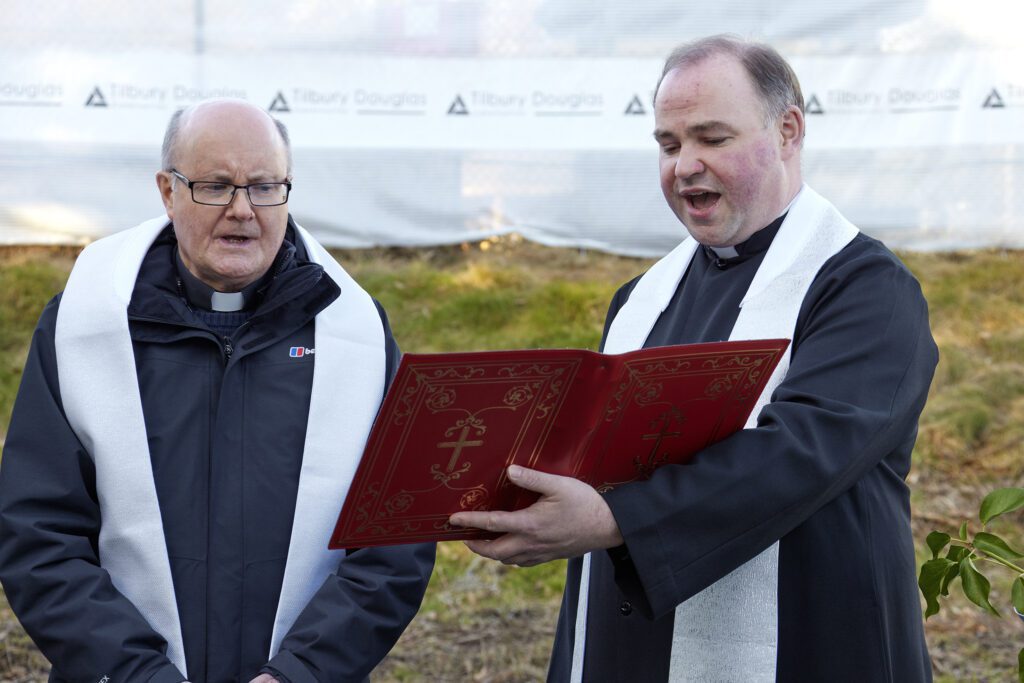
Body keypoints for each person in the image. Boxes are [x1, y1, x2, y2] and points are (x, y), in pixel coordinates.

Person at [451, 35, 937, 682]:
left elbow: (798, 452)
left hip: (809, 642)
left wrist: (612, 518)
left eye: (713, 138)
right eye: (670, 144)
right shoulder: (641, 299)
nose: (685, 165)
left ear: (788, 130)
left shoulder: (865, 290)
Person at [0, 99, 435, 683]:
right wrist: (136, 673)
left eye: (264, 187)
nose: (242, 211)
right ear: (166, 191)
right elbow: (38, 532)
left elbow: (396, 541)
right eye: (215, 186)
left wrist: (301, 672)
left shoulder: (352, 332)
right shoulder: (88, 324)